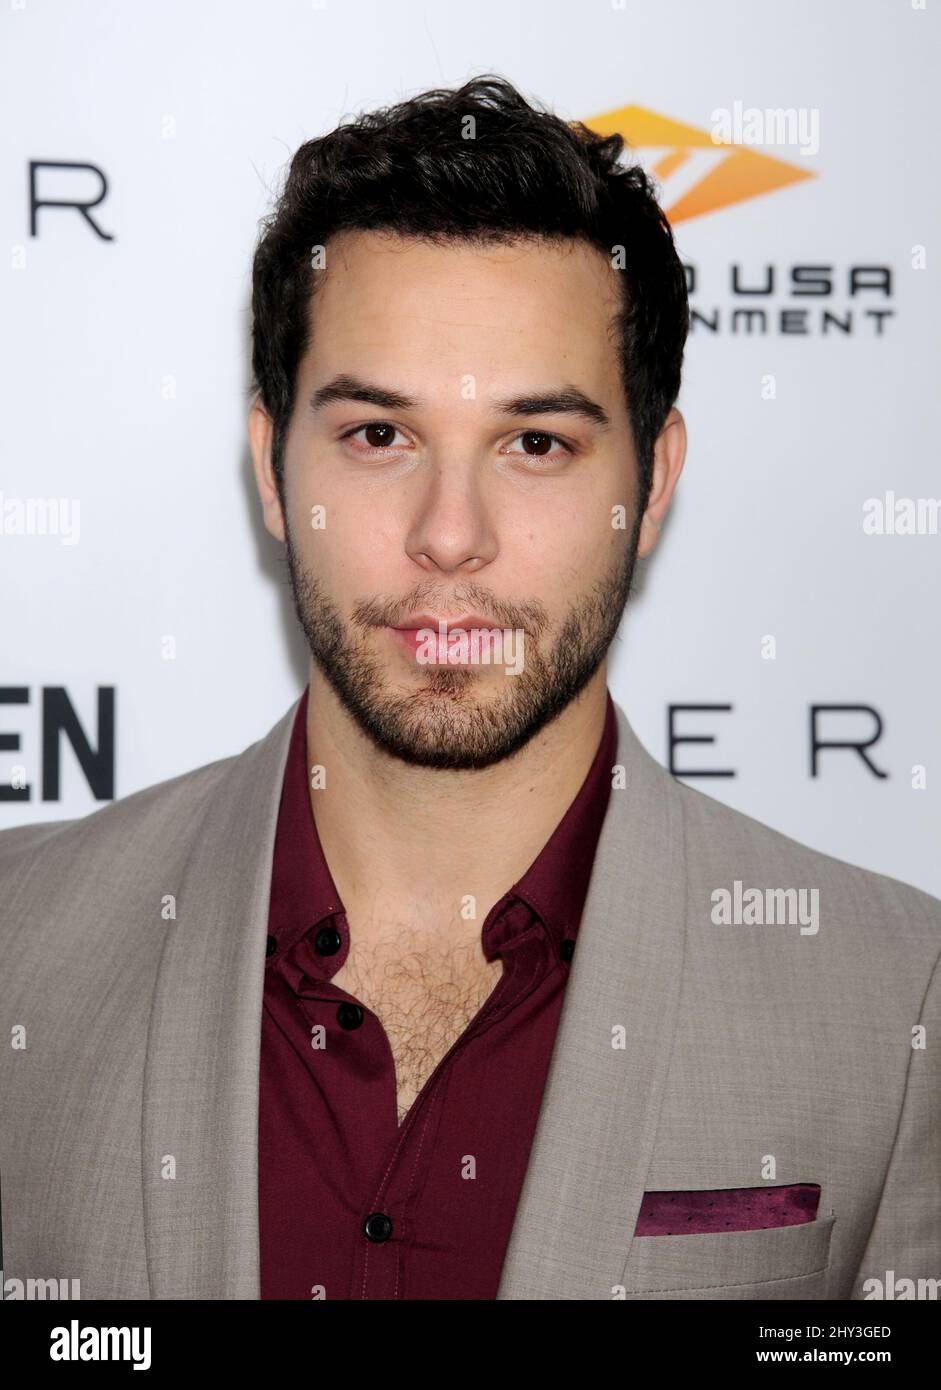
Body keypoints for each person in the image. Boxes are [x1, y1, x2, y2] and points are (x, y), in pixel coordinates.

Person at [1, 75, 938, 1302]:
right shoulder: (22, 947)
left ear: (650, 484)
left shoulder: (891, 1003)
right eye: (378, 436)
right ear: (271, 473)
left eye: (535, 443)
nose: (449, 536)